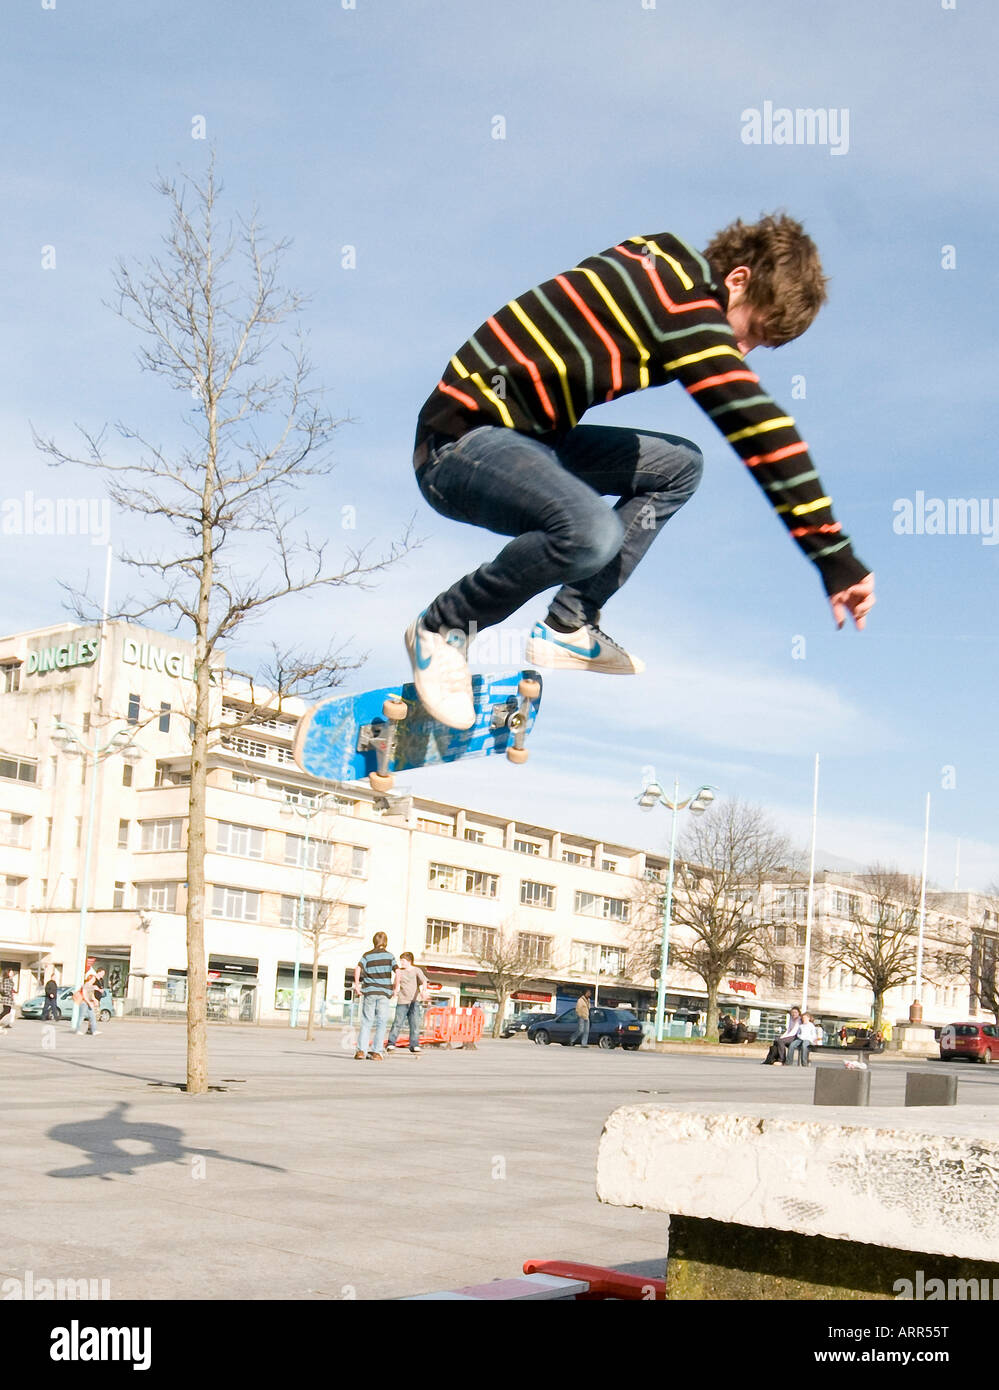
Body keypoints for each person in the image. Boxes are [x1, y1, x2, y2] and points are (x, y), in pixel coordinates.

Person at [405, 216, 875, 728]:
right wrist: (833, 554)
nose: (742, 352)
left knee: (679, 466)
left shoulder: (662, 269)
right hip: (458, 446)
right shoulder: (681, 301)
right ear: (736, 281)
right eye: (752, 333)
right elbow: (760, 428)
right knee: (590, 534)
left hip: (530, 445)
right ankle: (445, 625)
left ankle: (569, 623)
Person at [353, 932, 397, 1061]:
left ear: (374, 942)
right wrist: (395, 987)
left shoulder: (367, 955)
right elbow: (398, 971)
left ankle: (361, 1051)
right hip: (384, 993)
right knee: (382, 1022)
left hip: (370, 991)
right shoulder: (390, 956)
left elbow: (357, 968)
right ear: (386, 942)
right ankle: (376, 1052)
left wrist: (357, 985)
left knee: (367, 1021)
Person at [386, 952, 429, 1054]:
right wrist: (395, 991)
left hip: (415, 1001)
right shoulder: (399, 972)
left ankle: (414, 1045)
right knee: (397, 1022)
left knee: (414, 1024)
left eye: (403, 961)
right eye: (400, 961)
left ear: (409, 961)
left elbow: (424, 981)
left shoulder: (416, 970)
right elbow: (396, 983)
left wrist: (423, 991)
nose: (401, 963)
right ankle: (391, 1043)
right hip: (402, 1001)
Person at [72, 973, 100, 1037]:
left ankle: (94, 1030)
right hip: (84, 1003)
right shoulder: (86, 985)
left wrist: (95, 1000)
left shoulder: (91, 986)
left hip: (88, 1002)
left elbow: (91, 995)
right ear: (90, 979)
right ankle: (78, 1030)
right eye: (93, 978)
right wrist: (89, 1002)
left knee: (92, 1016)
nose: (94, 980)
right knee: (81, 1016)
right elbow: (84, 994)